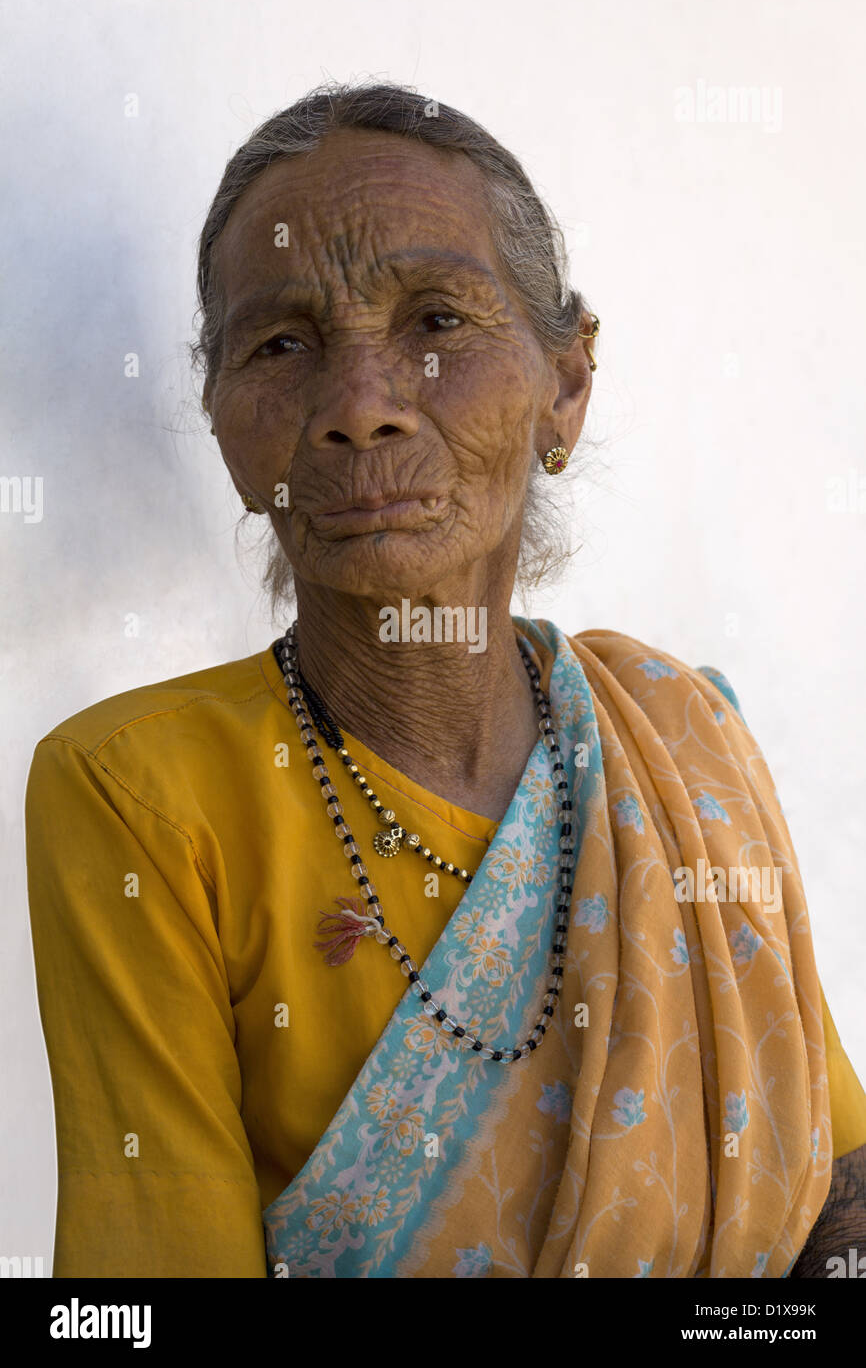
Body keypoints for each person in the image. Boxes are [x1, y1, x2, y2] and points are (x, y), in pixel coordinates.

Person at [26, 81, 866, 1278]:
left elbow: (834, 1180)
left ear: (564, 385)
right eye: (280, 343)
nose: (359, 408)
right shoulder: (139, 795)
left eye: (435, 322)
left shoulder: (683, 741)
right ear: (219, 415)